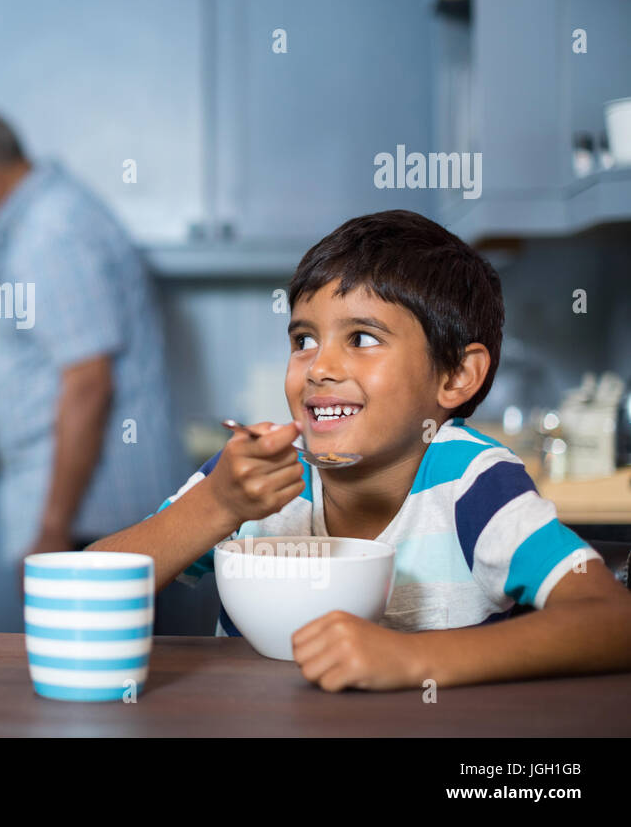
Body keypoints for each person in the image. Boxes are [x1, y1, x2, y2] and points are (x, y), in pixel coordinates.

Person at [89, 210, 631, 689]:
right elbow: (87, 592)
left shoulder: (474, 485)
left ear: (456, 376)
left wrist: (411, 658)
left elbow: (613, 621)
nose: (319, 368)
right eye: (303, 340)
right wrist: (217, 506)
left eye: (362, 339)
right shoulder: (255, 477)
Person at [0, 105, 183, 582]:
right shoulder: (54, 215)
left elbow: (87, 382)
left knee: (90, 656)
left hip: (93, 517)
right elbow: (59, 334)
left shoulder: (50, 234)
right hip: (97, 511)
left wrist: (52, 527)